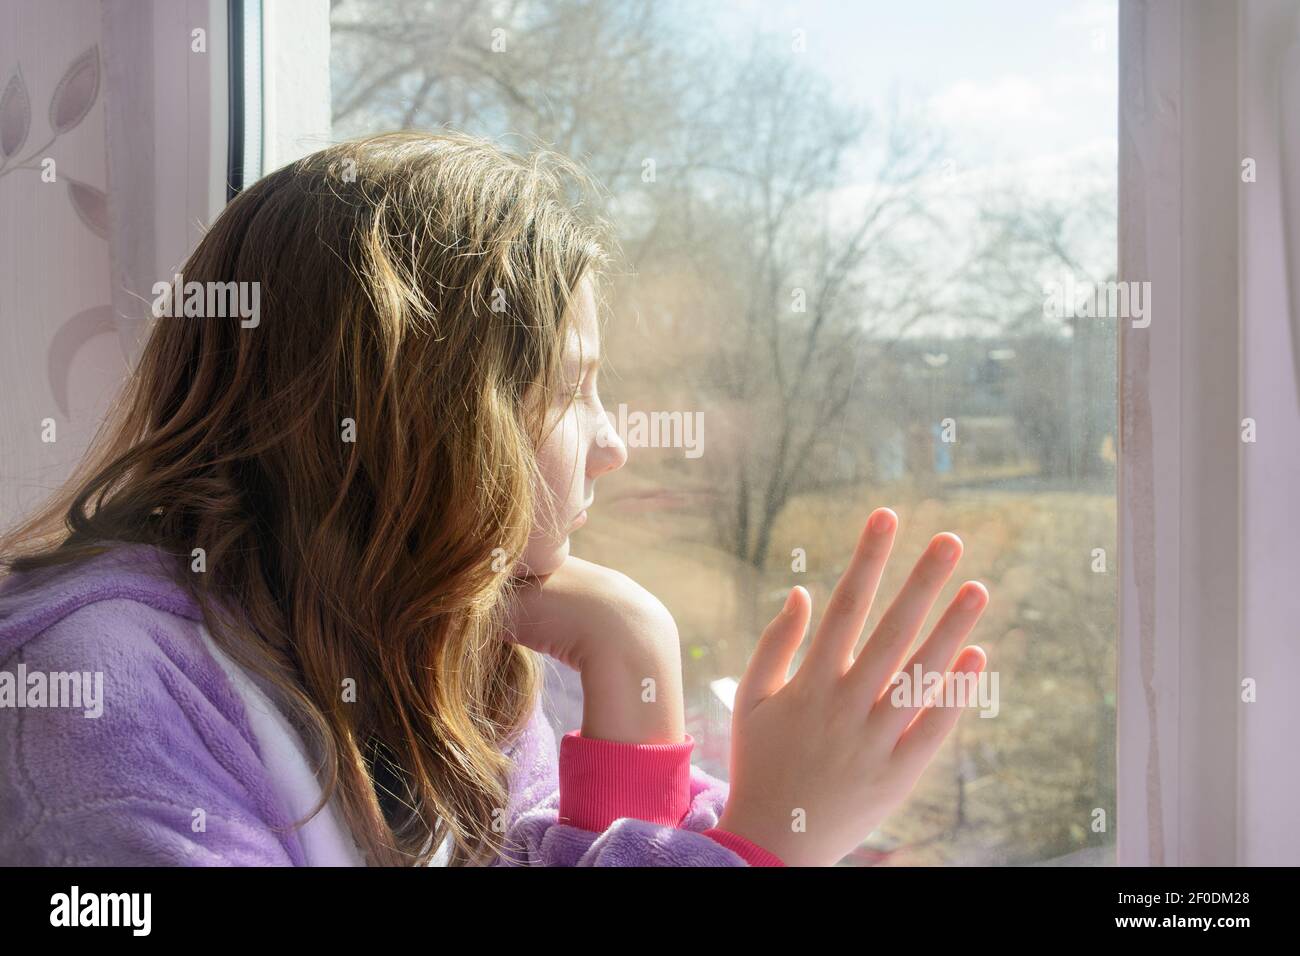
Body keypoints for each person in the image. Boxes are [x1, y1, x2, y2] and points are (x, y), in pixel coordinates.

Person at [0, 130, 988, 866]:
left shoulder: (478, 666)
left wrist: (634, 668)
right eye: (569, 389)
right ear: (408, 418)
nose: (614, 443)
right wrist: (768, 838)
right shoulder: (101, 701)